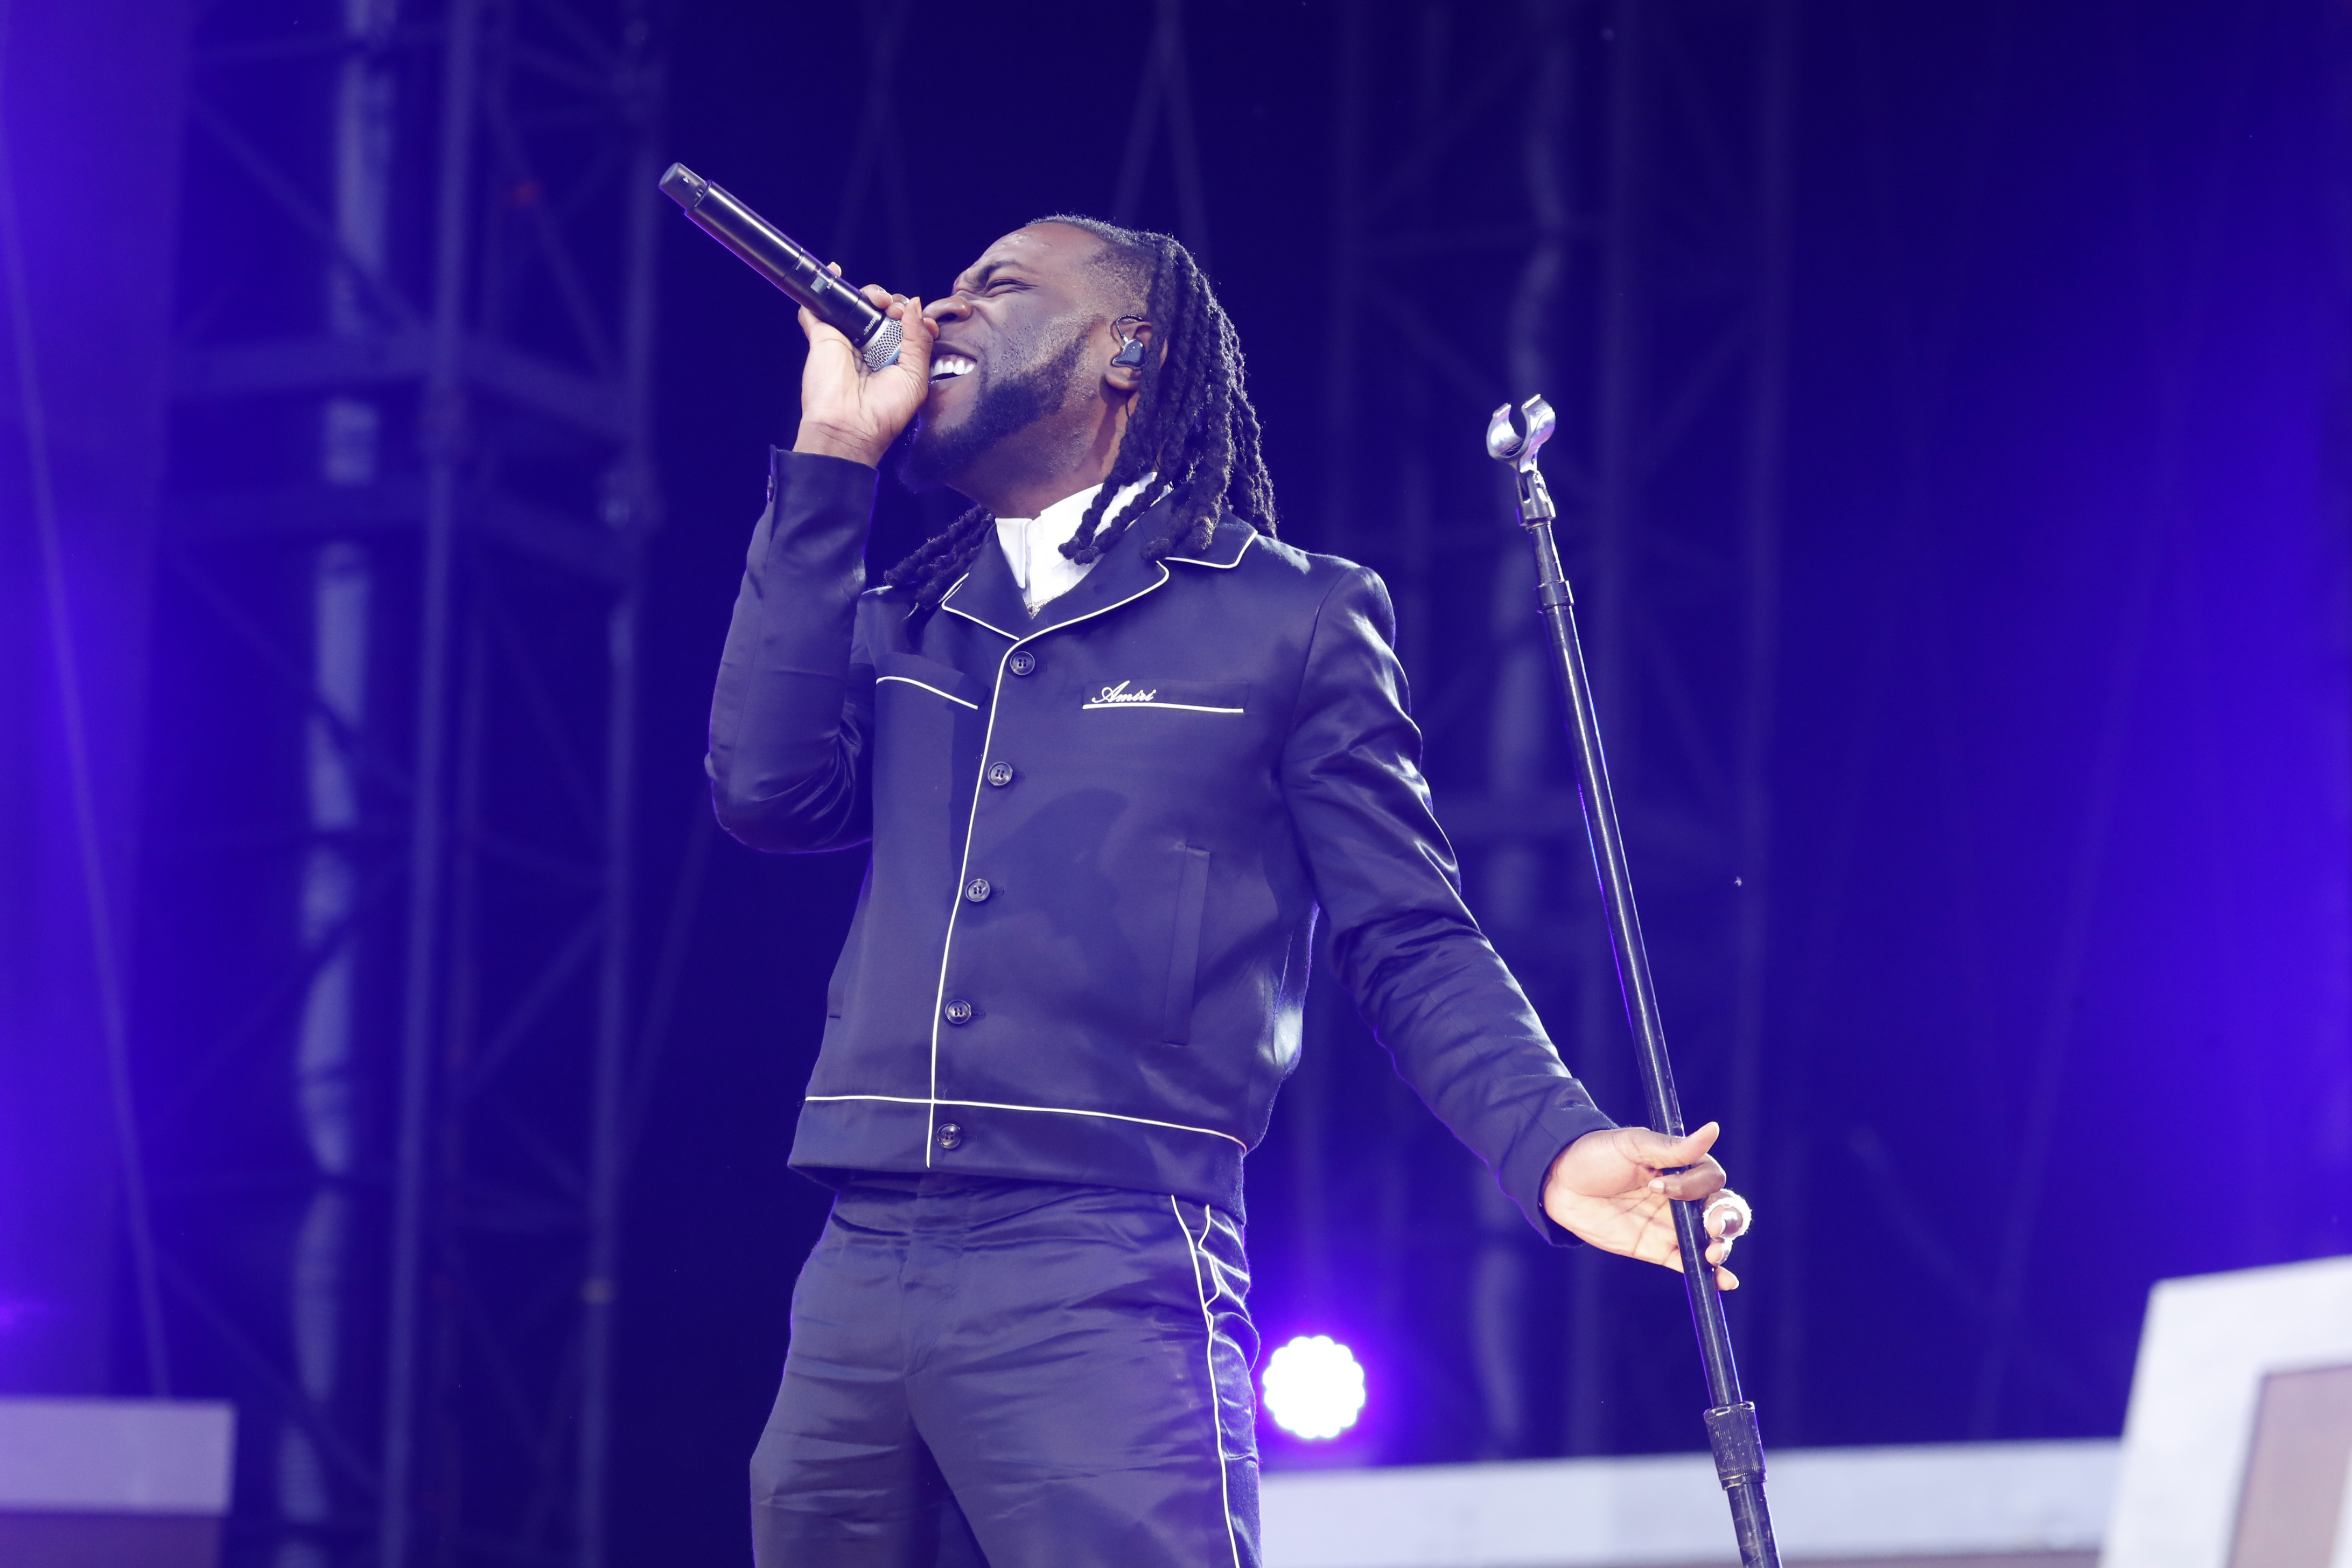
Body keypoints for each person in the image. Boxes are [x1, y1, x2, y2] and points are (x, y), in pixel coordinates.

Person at [706, 215, 1750, 1568]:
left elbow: (1409, 936)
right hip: (857, 1263)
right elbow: (764, 793)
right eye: (948, 286)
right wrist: (832, 461)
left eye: (997, 287)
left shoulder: (1289, 619)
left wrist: (1552, 1142)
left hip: (1101, 1263)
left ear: (1125, 351)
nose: (939, 312)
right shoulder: (911, 619)